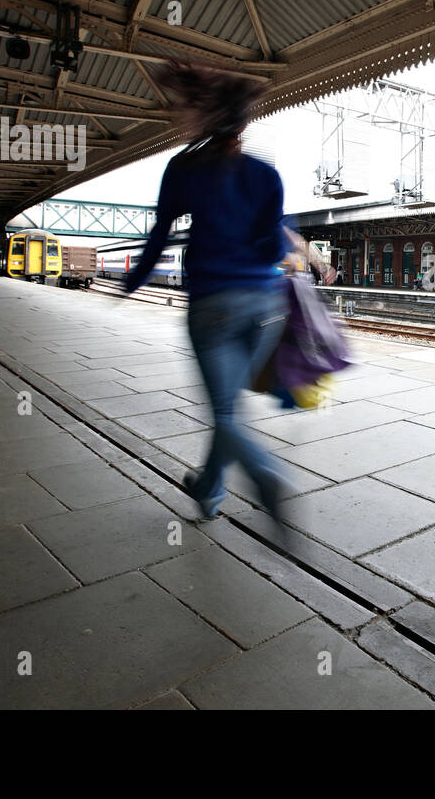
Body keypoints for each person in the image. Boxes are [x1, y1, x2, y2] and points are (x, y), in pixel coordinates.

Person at [125, 61, 329, 521]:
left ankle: (264, 474)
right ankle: (209, 490)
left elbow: (160, 236)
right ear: (242, 123)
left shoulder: (183, 169)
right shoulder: (264, 175)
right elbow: (271, 241)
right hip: (266, 306)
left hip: (213, 306)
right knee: (228, 408)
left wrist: (132, 282)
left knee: (225, 412)